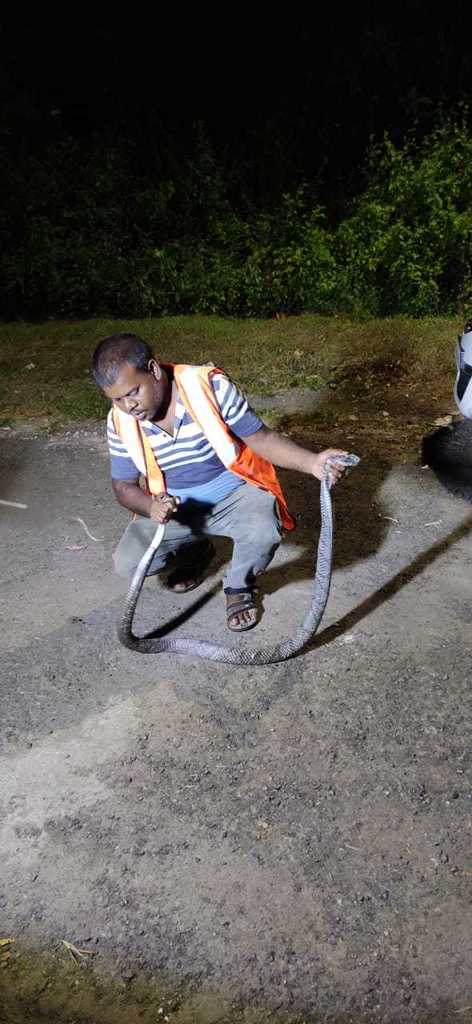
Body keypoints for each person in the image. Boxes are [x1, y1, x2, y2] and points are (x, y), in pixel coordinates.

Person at [92, 332, 348, 632]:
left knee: (263, 528)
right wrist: (150, 506)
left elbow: (261, 438)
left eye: (133, 392)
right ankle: (196, 551)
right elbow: (123, 486)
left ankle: (240, 586)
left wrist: (312, 463)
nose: (129, 406)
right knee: (128, 562)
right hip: (177, 508)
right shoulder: (119, 420)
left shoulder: (208, 386)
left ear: (153, 370)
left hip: (233, 493)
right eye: (117, 399)